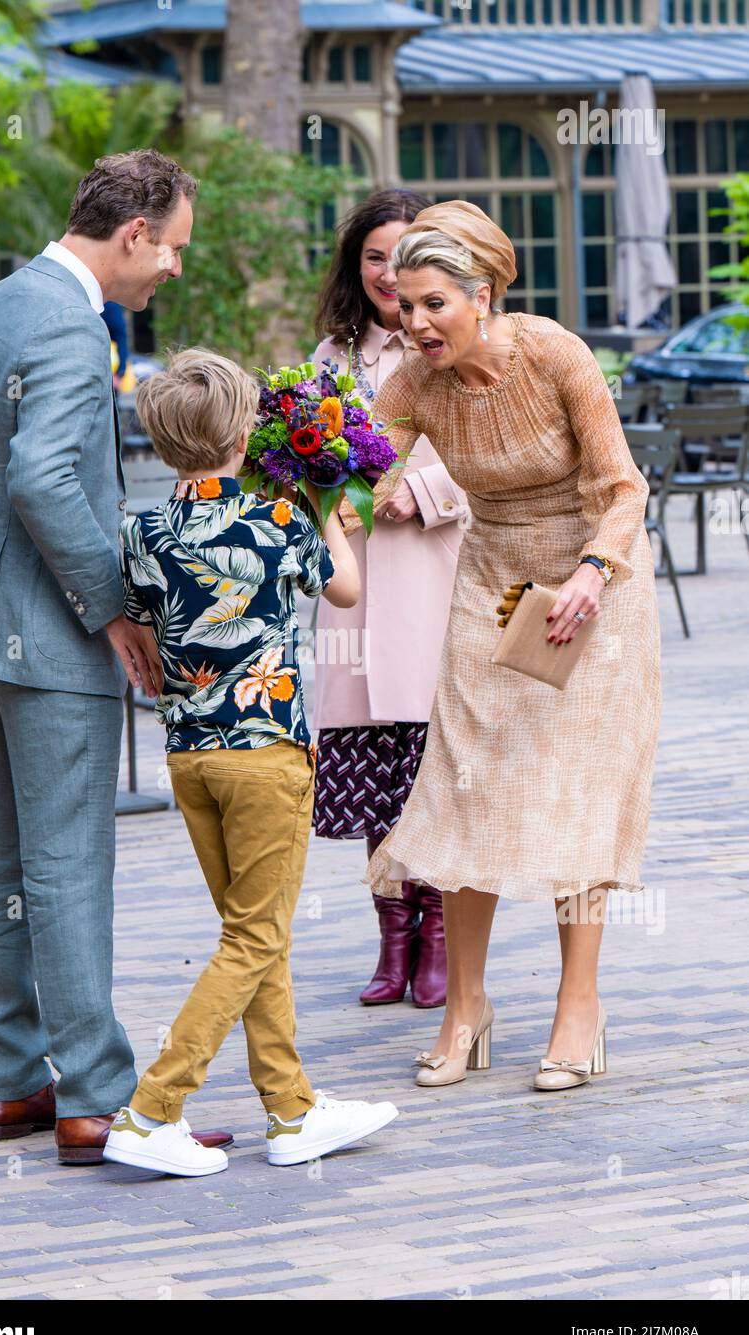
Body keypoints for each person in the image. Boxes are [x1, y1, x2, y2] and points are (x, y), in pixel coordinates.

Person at [0, 151, 231, 1163]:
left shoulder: (1, 299)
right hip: (43, 634)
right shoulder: (64, 321)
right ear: (133, 234)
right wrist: (113, 608)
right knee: (67, 865)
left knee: (10, 863)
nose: (172, 270)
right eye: (172, 249)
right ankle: (96, 1096)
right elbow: (44, 479)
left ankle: (9, 1080)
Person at [360, 201, 660, 1092]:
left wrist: (593, 573)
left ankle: (579, 1006)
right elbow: (361, 469)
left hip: (587, 589)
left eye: (432, 305)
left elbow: (623, 486)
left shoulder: (556, 354)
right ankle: (469, 1008)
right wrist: (313, 486)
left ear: (482, 296)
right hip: (492, 584)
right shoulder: (416, 384)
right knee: (464, 788)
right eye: (403, 306)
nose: (414, 324)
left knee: (579, 790)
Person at [104, 348, 399, 1176]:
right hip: (265, 752)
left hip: (190, 757)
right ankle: (152, 1109)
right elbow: (341, 590)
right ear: (244, 431)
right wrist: (327, 500)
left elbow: (138, 612)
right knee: (256, 934)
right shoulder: (275, 520)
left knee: (251, 932)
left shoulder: (143, 529)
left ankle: (292, 1109)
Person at [311, 189, 469, 1010]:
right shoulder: (332, 357)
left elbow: (499, 467)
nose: (387, 272)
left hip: (431, 591)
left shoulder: (456, 347)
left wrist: (428, 491)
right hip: (352, 594)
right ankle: (392, 940)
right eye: (374, 256)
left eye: (403, 256)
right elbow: (306, 467)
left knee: (429, 774)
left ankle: (439, 938)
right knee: (374, 782)